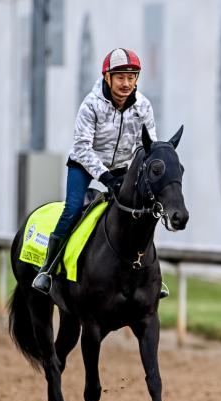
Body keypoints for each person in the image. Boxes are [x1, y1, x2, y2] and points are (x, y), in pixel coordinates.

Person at [32, 48, 167, 298]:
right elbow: (82, 147)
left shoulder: (144, 107)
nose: (126, 83)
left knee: (143, 213)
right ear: (107, 77)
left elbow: (148, 145)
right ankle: (48, 268)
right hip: (84, 165)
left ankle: (151, 275)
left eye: (131, 77)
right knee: (73, 209)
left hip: (123, 167)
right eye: (120, 77)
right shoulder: (91, 105)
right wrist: (105, 177)